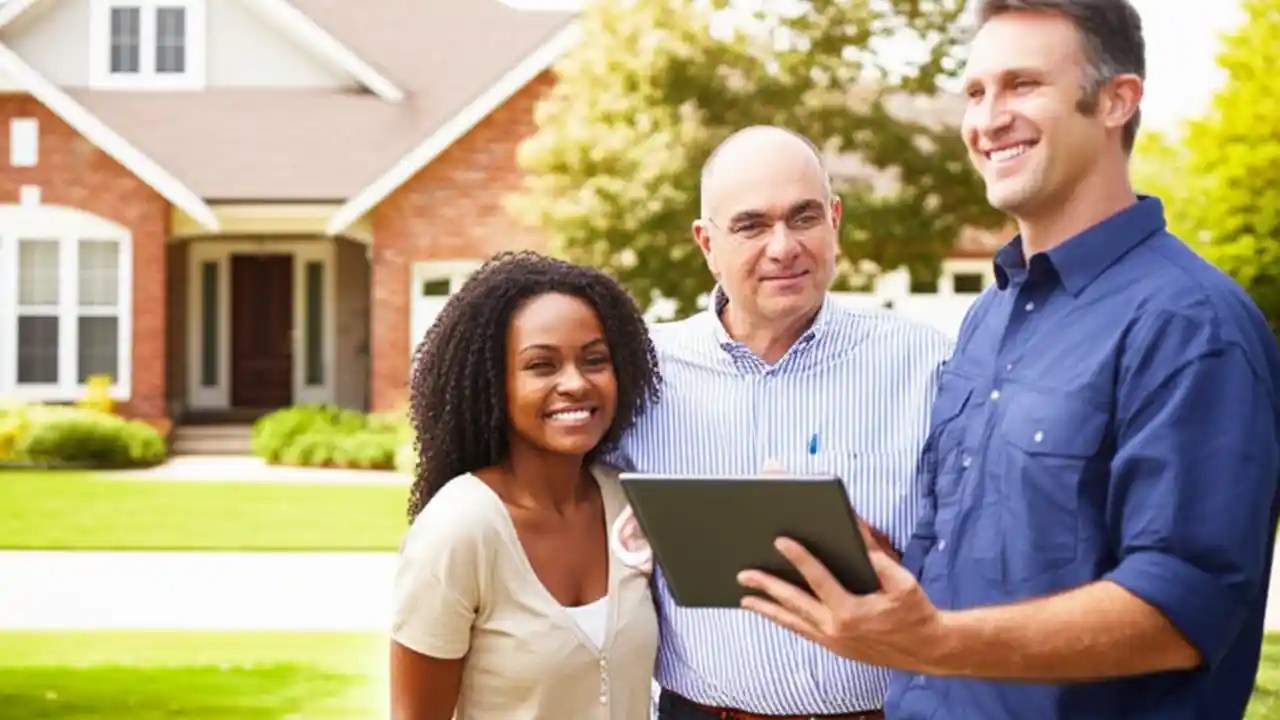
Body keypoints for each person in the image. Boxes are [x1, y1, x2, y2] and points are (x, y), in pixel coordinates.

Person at [735, 2, 1280, 719]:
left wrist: (929, 641)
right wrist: (867, 562)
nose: (987, 120)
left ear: (1116, 101)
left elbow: (1184, 604)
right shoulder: (989, 319)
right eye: (974, 92)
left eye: (1022, 85)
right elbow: (979, 561)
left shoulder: (1189, 324)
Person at [608, 125, 955, 719]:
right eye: (750, 225)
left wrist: (877, 559)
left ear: (835, 220)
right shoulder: (640, 375)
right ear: (705, 242)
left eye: (804, 217)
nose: (783, 246)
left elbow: (976, 570)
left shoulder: (929, 366)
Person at [389, 251, 663, 720]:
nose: (575, 383)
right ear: (494, 384)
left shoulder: (630, 503)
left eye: (595, 360)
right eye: (542, 365)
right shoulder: (460, 528)